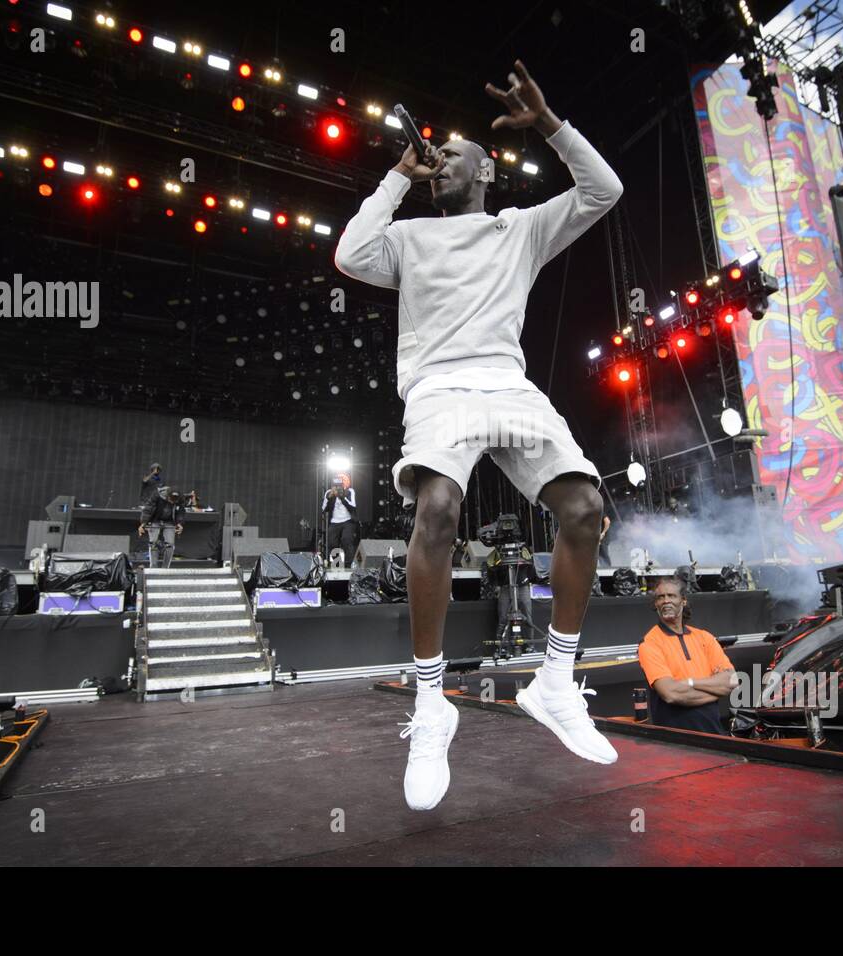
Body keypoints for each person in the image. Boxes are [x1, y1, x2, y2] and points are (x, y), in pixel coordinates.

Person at [335, 59, 623, 810]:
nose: (439, 167)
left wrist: (551, 125)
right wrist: (397, 177)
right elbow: (349, 254)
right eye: (432, 162)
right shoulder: (411, 236)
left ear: (489, 169)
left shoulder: (520, 229)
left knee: (586, 511)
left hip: (509, 384)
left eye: (451, 157)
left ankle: (555, 683)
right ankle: (432, 703)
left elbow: (604, 190)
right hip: (439, 387)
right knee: (436, 511)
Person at [636, 575, 738, 733]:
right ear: (655, 604)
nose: (665, 601)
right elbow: (671, 694)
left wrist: (689, 683)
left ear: (683, 600)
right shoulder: (649, 643)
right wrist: (716, 691)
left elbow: (732, 681)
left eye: (671, 595)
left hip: (714, 734)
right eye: (660, 597)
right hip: (676, 742)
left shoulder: (704, 637)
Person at [138, 486, 185, 569]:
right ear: (167, 496)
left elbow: (180, 512)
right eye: (171, 500)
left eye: (174, 501)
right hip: (155, 520)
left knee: (170, 544)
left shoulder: (180, 499)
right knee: (153, 543)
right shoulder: (157, 495)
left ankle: (166, 568)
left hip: (170, 521)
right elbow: (148, 509)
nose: (172, 502)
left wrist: (179, 523)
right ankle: (153, 567)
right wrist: (143, 523)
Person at [321, 473, 360, 566]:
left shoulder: (350, 491)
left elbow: (353, 507)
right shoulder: (329, 492)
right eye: (336, 485)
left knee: (347, 540)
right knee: (332, 543)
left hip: (348, 521)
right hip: (334, 522)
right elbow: (324, 509)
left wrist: (342, 497)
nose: (338, 487)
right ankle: (336, 564)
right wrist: (328, 498)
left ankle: (348, 564)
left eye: (340, 485)